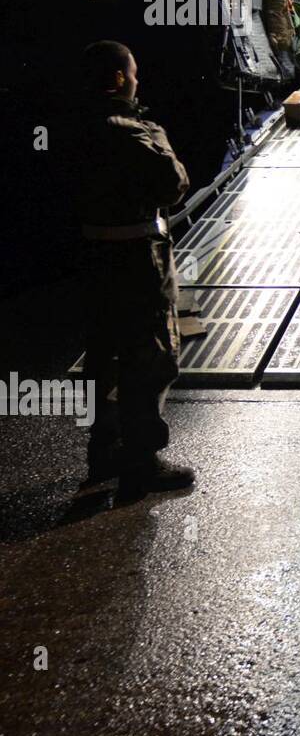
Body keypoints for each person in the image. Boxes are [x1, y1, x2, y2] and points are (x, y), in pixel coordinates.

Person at [74, 41, 196, 498]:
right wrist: (155, 132)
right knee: (149, 355)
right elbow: (173, 183)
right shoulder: (130, 130)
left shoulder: (70, 125)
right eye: (135, 73)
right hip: (137, 254)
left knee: (101, 356)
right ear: (122, 78)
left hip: (90, 254)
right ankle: (141, 460)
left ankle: (103, 449)